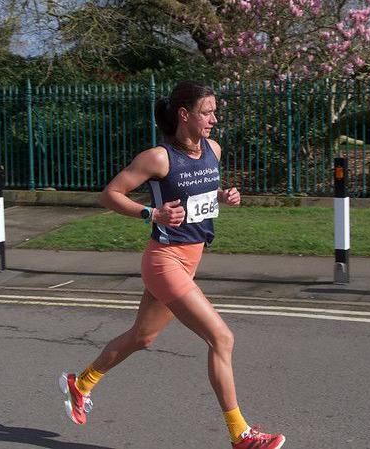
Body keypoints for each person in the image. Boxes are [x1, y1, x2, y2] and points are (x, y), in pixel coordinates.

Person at [58, 81, 286, 449]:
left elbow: (198, 195)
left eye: (214, 111)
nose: (214, 118)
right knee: (222, 338)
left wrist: (224, 195)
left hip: (191, 258)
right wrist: (152, 212)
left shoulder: (213, 149)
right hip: (165, 260)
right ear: (185, 114)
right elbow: (110, 194)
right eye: (207, 111)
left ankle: (80, 383)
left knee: (143, 337)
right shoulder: (158, 157)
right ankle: (241, 434)